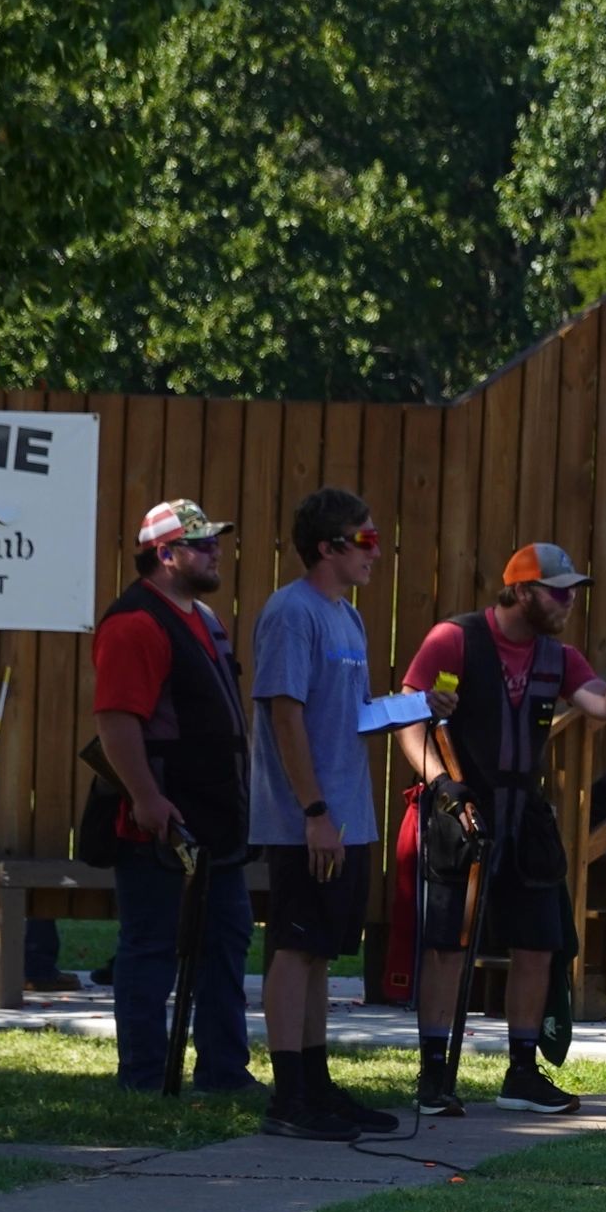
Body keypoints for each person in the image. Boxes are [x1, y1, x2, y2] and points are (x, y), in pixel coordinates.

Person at [400, 543, 606, 1118]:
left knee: (540, 944)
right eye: (557, 590)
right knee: (447, 945)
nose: (569, 600)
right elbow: (411, 717)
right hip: (460, 809)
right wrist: (442, 786)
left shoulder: (558, 657)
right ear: (522, 591)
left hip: (525, 812)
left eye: (573, 590)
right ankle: (432, 1076)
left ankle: (521, 1073)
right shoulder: (456, 640)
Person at [248, 487, 401, 1141]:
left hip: (348, 817)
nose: (376, 550)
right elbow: (286, 714)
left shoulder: (350, 618)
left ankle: (316, 1083)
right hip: (305, 820)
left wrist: (414, 709)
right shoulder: (292, 612)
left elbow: (351, 714)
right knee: (294, 946)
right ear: (328, 547)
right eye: (364, 539)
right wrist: (313, 811)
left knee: (321, 954)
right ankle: (288, 1097)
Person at [90, 498, 256, 1095]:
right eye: (202, 543)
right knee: (152, 948)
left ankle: (223, 1073)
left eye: (214, 541)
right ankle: (142, 1076)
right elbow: (116, 720)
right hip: (164, 821)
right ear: (164, 554)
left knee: (225, 944)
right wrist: (146, 797)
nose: (215, 552)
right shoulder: (135, 622)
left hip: (215, 820)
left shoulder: (204, 619)